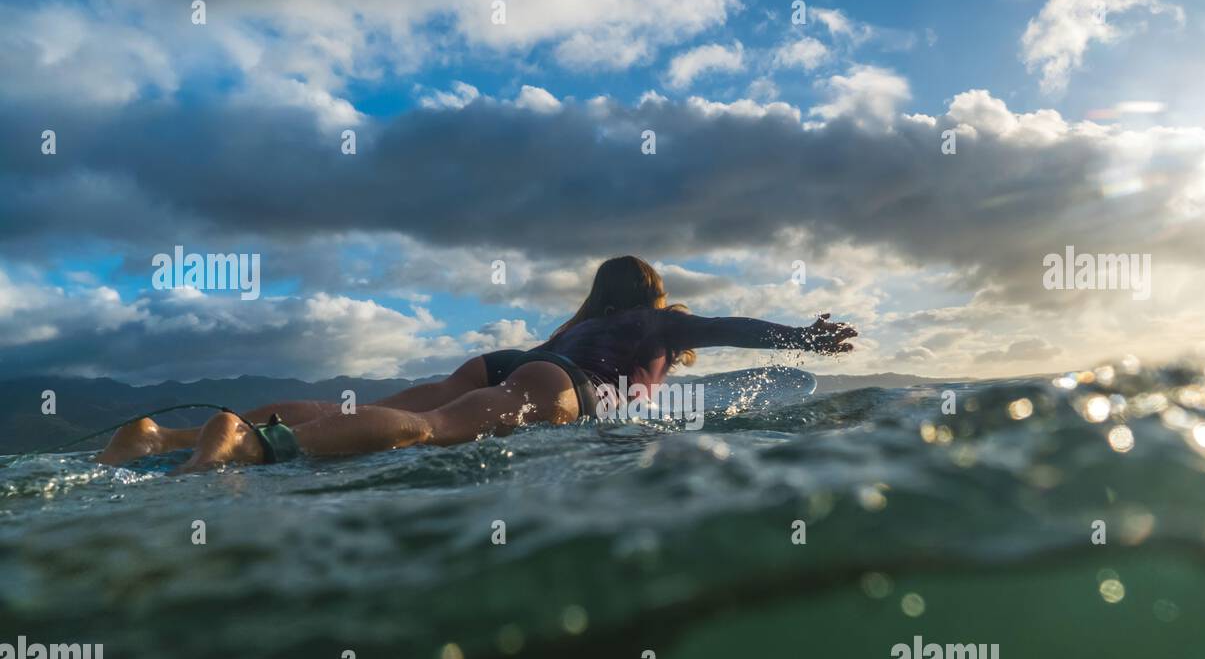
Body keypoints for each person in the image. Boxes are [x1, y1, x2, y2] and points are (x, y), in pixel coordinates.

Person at [96, 256, 856, 471]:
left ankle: (160, 437)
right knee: (427, 430)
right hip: (559, 387)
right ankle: (254, 446)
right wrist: (805, 338)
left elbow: (549, 355)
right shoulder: (660, 321)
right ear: (655, 295)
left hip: (514, 359)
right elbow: (733, 326)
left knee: (367, 411)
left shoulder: (585, 321)